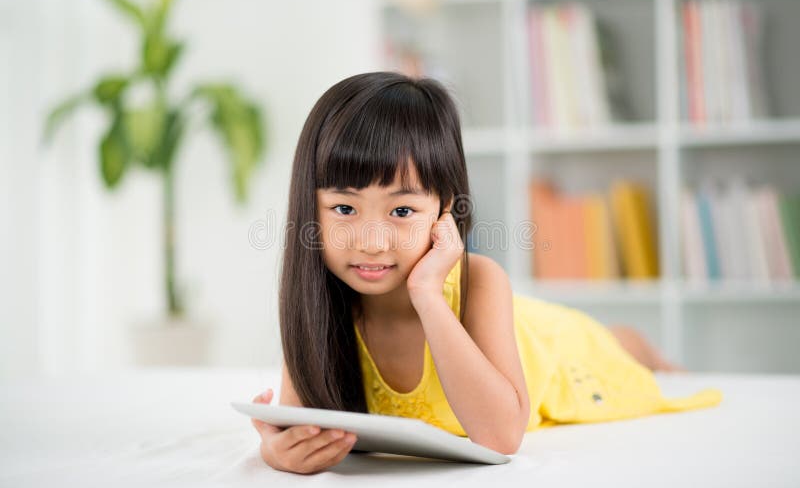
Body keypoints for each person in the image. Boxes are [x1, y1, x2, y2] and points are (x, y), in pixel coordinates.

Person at [250, 72, 722, 475]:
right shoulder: (316, 303)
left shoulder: (483, 282)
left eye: (402, 211)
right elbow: (297, 423)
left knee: (607, 348)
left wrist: (429, 297)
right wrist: (277, 451)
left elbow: (498, 438)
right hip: (522, 328)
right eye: (344, 207)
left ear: (445, 211)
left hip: (550, 351)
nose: (371, 241)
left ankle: (632, 342)